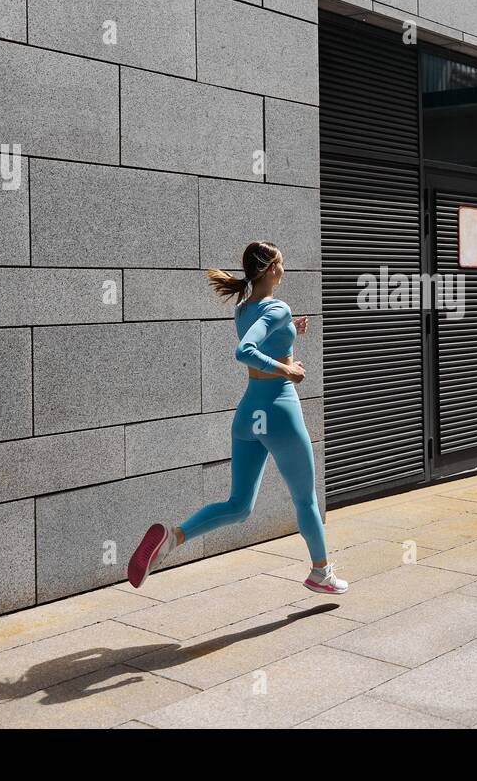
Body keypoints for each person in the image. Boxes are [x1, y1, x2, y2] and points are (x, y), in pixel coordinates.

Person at [126, 241, 347, 595]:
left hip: (249, 416)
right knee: (305, 500)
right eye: (282, 263)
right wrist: (287, 370)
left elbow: (260, 334)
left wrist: (293, 329)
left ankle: (173, 537)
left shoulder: (245, 308)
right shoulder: (277, 308)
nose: (284, 269)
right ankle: (320, 572)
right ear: (272, 268)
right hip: (279, 411)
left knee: (239, 505)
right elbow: (245, 350)